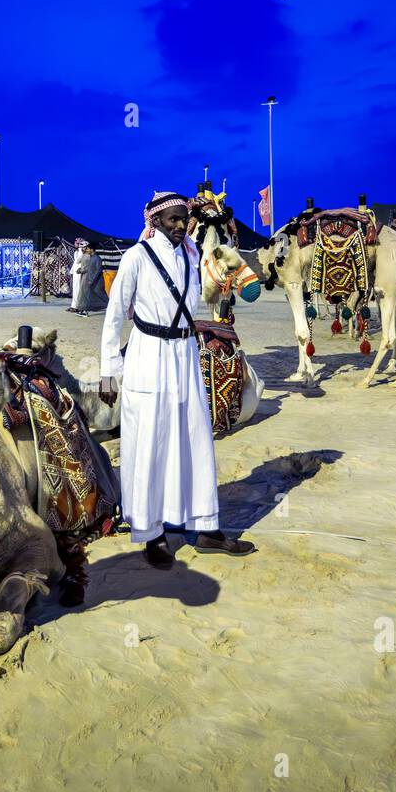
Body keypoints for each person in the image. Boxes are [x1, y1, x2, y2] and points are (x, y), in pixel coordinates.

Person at [99, 191, 255, 569]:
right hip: (148, 354)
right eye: (172, 219)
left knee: (194, 438)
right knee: (151, 441)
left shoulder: (190, 254)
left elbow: (215, 283)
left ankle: (205, 526)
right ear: (153, 220)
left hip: (186, 356)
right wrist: (108, 371)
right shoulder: (136, 257)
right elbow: (115, 313)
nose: (180, 225)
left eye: (184, 219)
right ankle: (151, 532)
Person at [68, 239, 90, 313]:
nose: (75, 244)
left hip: (80, 272)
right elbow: (75, 262)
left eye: (77, 243)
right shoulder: (76, 252)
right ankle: (73, 306)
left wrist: (80, 249)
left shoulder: (83, 252)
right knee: (75, 289)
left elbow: (78, 260)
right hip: (76, 272)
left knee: (78, 289)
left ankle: (78, 306)